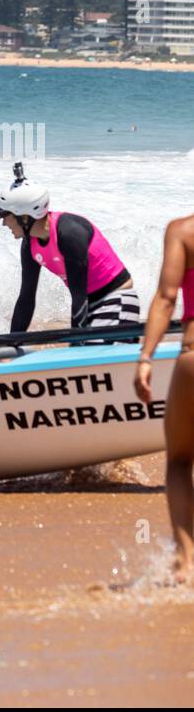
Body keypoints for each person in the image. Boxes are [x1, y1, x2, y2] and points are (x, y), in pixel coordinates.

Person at [0, 165, 136, 333]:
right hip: (88, 304)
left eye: (6, 217)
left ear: (24, 217)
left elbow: (78, 296)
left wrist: (76, 345)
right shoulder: (30, 244)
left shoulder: (68, 233)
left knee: (85, 353)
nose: (3, 223)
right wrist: (13, 345)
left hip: (116, 298)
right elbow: (26, 298)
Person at [134, 214, 194, 582]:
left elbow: (167, 297)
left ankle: (188, 562)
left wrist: (146, 357)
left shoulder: (183, 230)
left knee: (180, 460)